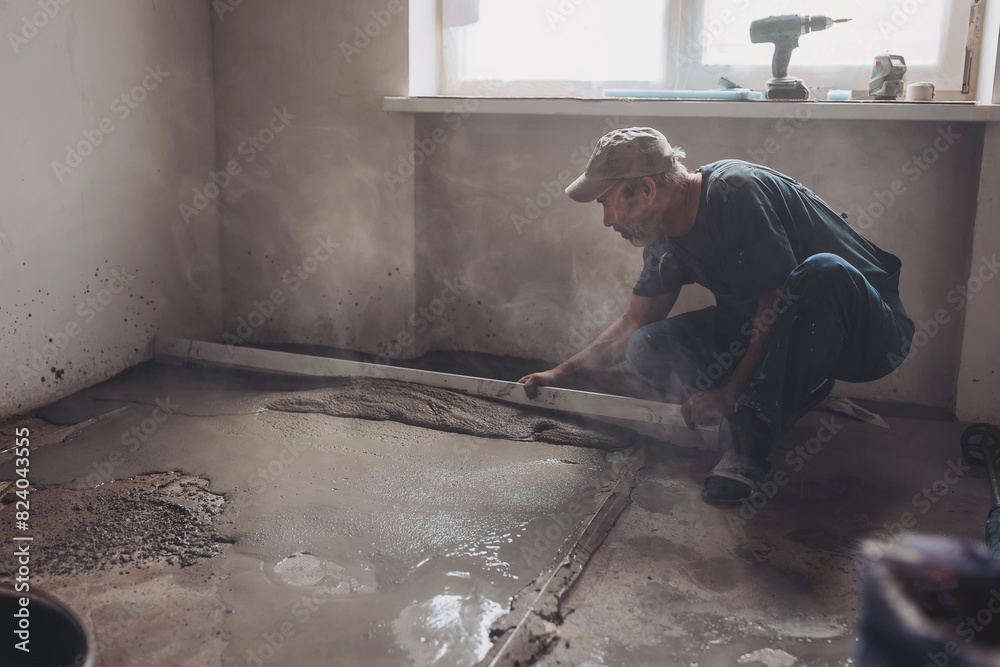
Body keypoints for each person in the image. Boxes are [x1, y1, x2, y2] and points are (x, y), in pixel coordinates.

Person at [518, 127, 915, 506]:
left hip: (866, 334)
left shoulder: (735, 192)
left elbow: (774, 306)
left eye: (607, 204)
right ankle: (781, 398)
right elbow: (635, 321)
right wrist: (560, 375)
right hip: (776, 332)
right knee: (647, 346)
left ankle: (748, 441)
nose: (607, 220)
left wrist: (730, 391)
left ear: (647, 190)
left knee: (823, 270)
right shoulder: (663, 235)